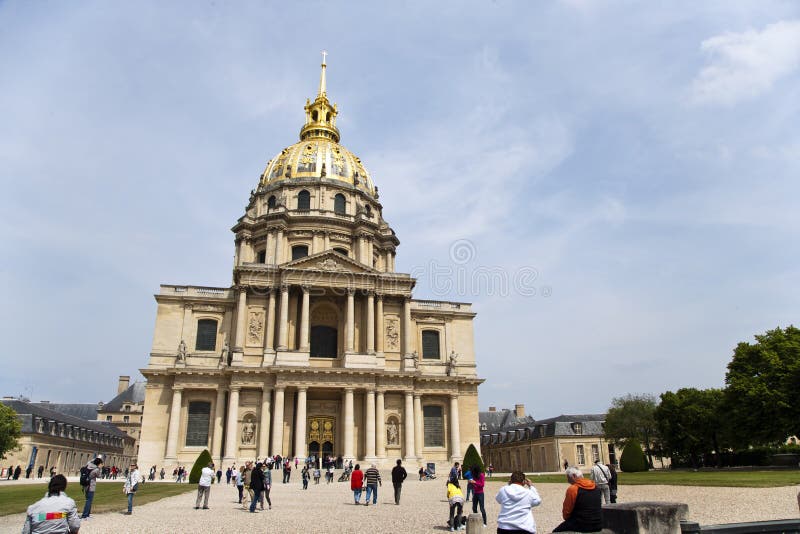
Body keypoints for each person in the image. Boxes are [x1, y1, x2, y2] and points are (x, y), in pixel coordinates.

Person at [553, 467, 602, 533]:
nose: (567, 480)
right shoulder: (595, 487)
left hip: (581, 524)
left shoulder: (573, 489)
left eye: (568, 477)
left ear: (574, 476)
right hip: (598, 523)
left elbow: (566, 512)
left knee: (555, 531)